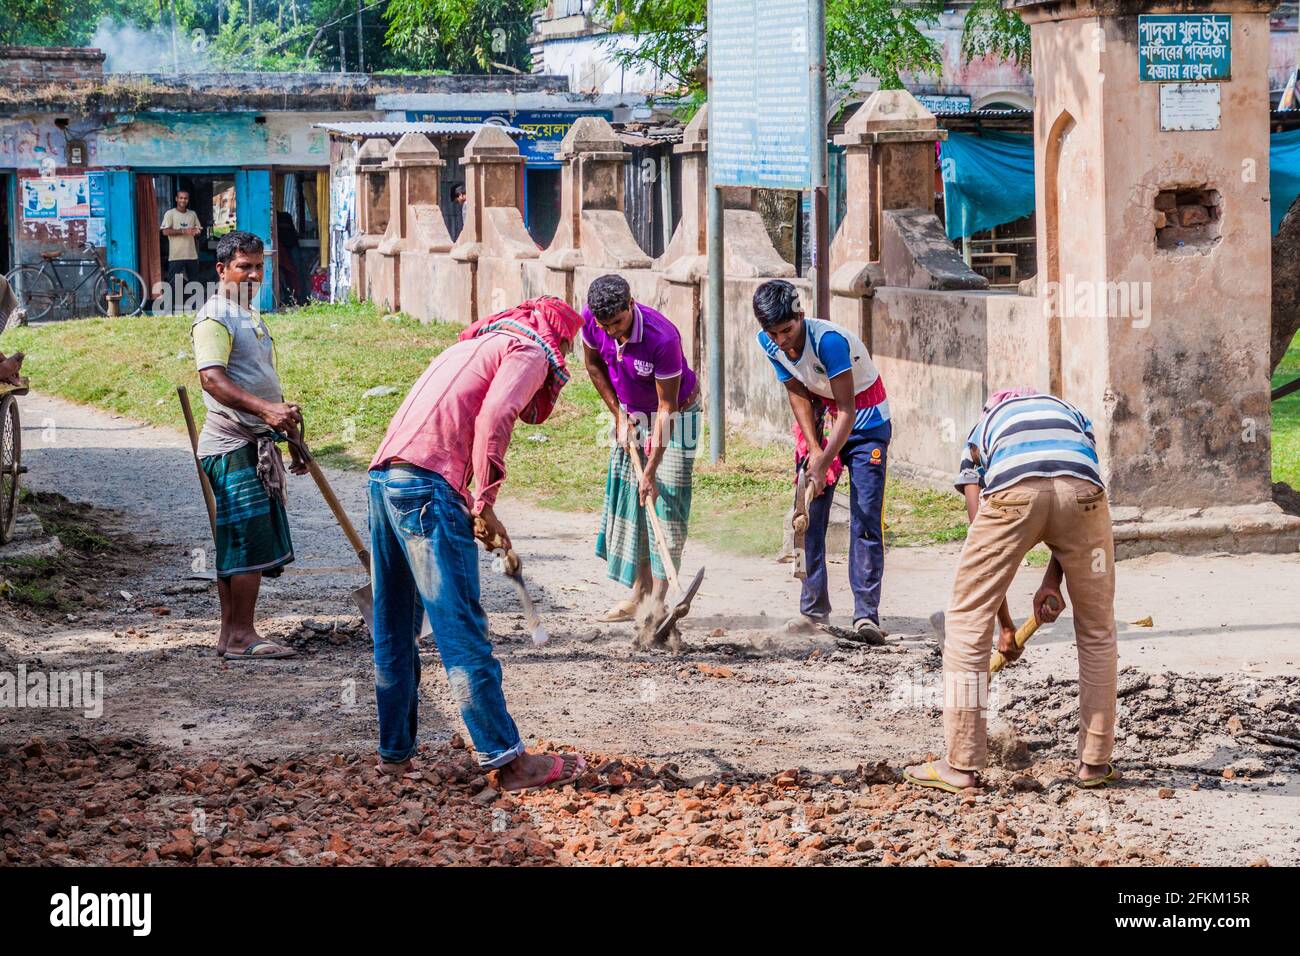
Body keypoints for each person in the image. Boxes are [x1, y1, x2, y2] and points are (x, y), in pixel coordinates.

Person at [367, 296, 588, 790]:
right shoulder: (530, 349)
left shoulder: (471, 345)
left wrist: (479, 507)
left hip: (385, 483)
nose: (565, 358)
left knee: (395, 625)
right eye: (567, 347)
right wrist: (482, 502)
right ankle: (508, 762)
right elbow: (494, 420)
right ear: (557, 337)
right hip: (427, 487)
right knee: (460, 625)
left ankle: (394, 758)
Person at [904, 387, 1118, 792]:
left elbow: (980, 539)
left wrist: (1001, 625)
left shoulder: (982, 430)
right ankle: (1095, 763)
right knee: (1097, 629)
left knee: (967, 620)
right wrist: (1053, 581)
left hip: (1013, 495)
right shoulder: (1072, 414)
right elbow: (1073, 486)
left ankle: (961, 765)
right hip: (1084, 497)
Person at [752, 278, 891, 644]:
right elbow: (796, 391)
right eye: (773, 332)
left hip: (864, 420)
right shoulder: (768, 342)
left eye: (787, 329)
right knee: (807, 515)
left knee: (865, 516)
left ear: (800, 315)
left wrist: (825, 458)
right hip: (819, 416)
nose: (781, 340)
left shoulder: (828, 342)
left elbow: (846, 409)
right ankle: (813, 611)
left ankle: (866, 616)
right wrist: (814, 451)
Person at [192, 230, 305, 661]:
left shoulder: (248, 314)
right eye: (244, 266)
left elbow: (263, 384)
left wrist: (289, 434)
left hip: (255, 439)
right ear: (222, 269)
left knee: (241, 540)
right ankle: (240, 635)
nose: (254, 274)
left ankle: (231, 635)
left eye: (259, 266)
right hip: (231, 444)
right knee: (245, 541)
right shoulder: (215, 316)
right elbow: (212, 379)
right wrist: (264, 409)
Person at [582, 274, 700, 646]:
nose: (613, 332)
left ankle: (657, 604)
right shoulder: (592, 320)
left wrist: (650, 469)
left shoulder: (662, 338)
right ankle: (638, 595)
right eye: (606, 326)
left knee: (664, 508)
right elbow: (593, 366)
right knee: (635, 509)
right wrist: (618, 414)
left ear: (632, 305)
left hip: (676, 416)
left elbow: (667, 407)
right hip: (631, 414)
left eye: (618, 323)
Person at [161, 190, 202, 307]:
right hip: (176, 255)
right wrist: (184, 231)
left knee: (194, 282)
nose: (183, 200)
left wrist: (197, 231)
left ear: (188, 200)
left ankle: (194, 307)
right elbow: (165, 231)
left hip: (191, 254)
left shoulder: (192, 214)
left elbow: (197, 230)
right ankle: (171, 307)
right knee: (173, 282)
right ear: (176, 199)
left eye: (185, 198)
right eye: (181, 198)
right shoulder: (170, 214)